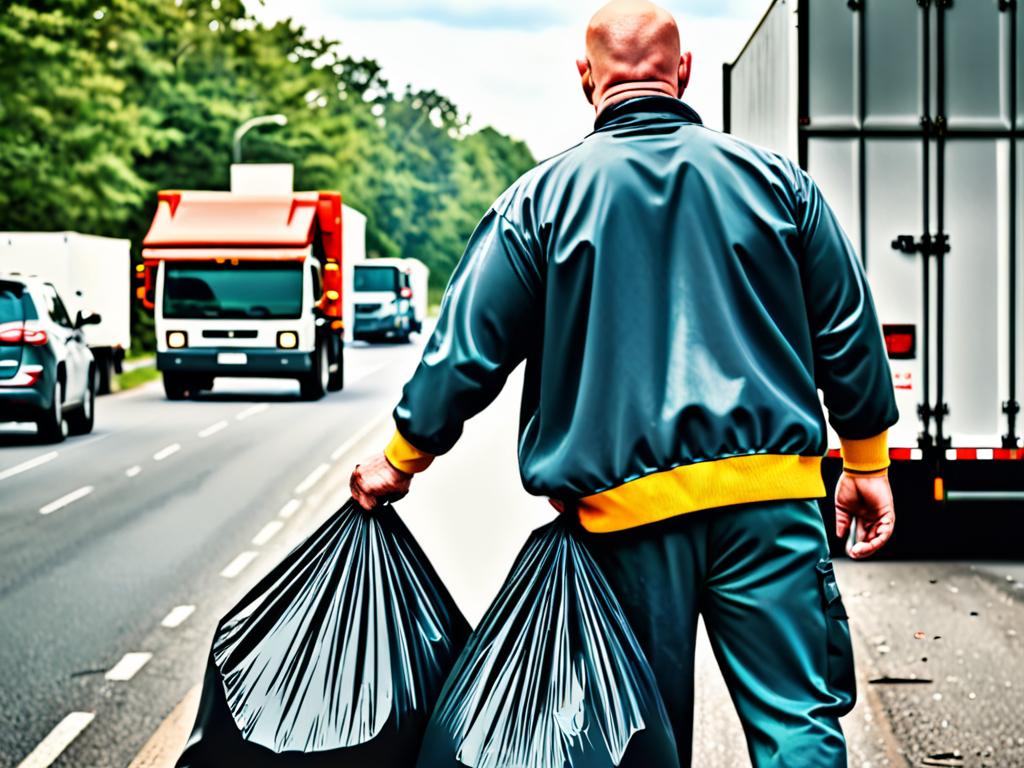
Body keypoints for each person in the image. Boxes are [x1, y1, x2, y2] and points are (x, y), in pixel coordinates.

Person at [350, 1, 897, 765]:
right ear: (683, 72)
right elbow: (847, 328)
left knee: (633, 732)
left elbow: (468, 349)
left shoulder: (539, 202)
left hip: (623, 521)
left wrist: (401, 457)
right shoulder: (779, 186)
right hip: (771, 505)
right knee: (797, 723)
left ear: (586, 78)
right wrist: (866, 463)